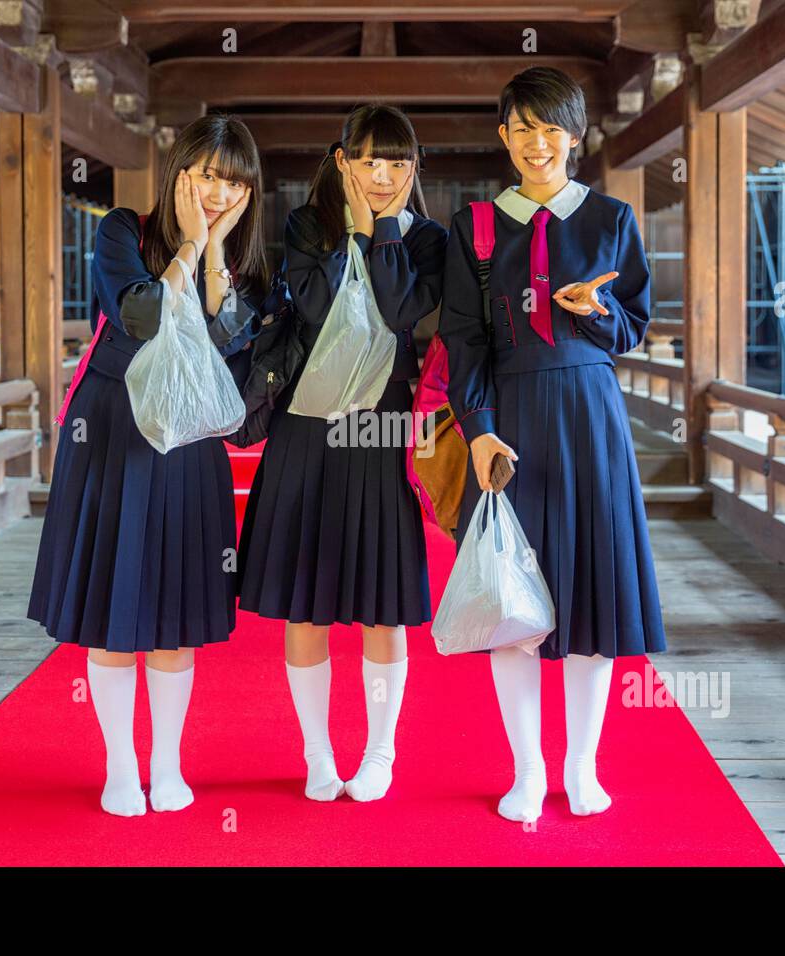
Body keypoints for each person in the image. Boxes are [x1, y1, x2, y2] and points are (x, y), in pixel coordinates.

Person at [439, 67, 668, 823]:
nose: (538, 144)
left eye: (552, 129)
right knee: (515, 606)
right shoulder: (475, 227)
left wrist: (593, 312)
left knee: (590, 605)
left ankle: (582, 764)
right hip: (508, 422)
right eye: (523, 129)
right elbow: (463, 342)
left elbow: (633, 326)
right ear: (503, 136)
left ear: (576, 135)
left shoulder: (610, 219)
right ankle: (529, 769)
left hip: (590, 417)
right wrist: (476, 431)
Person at [27, 114, 269, 816]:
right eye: (208, 175)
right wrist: (189, 245)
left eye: (235, 180)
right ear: (180, 172)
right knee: (114, 604)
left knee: (173, 606)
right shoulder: (122, 231)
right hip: (112, 428)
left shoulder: (238, 257)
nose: (219, 191)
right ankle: (120, 764)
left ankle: (167, 763)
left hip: (187, 438)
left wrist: (215, 248)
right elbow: (139, 316)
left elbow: (226, 343)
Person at [236, 105, 448, 803]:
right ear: (341, 160)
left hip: (380, 431)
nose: (382, 175)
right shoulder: (305, 227)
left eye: (397, 163)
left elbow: (395, 312)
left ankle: (381, 752)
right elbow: (322, 306)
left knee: (383, 606)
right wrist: (351, 233)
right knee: (308, 605)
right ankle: (318, 752)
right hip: (307, 426)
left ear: (413, 169)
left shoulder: (428, 242)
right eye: (368, 160)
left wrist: (379, 229)